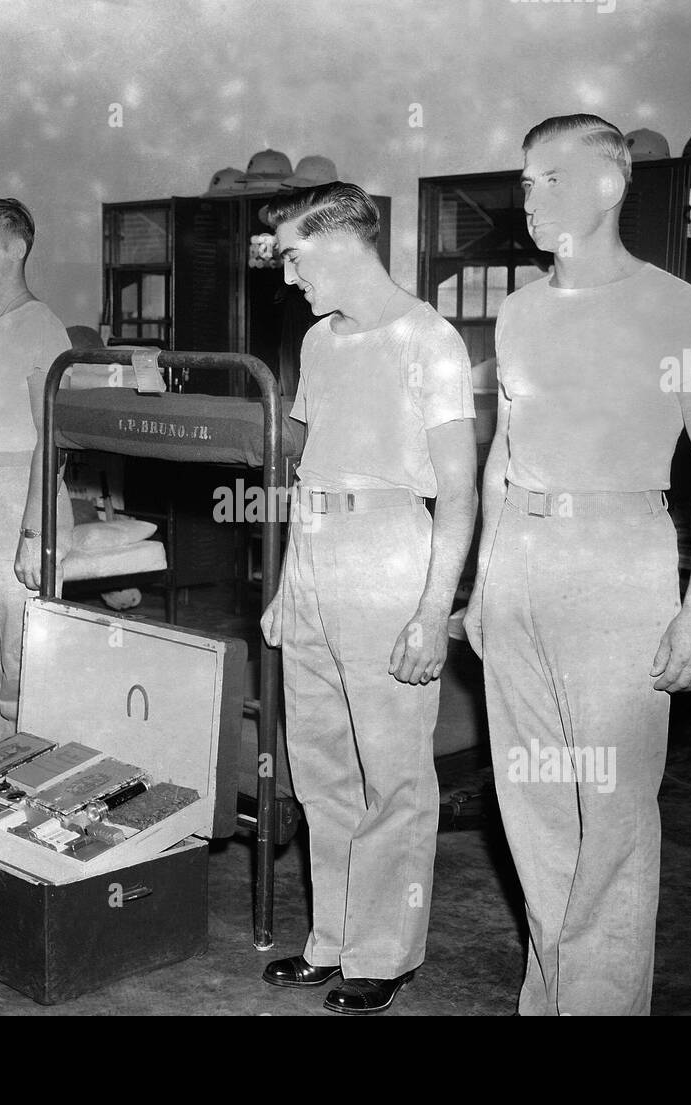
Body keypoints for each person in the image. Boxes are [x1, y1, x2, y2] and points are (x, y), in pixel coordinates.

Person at [463, 114, 691, 1015]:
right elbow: (501, 452)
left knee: (613, 817)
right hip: (520, 565)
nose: (529, 196)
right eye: (525, 180)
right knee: (534, 809)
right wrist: (481, 584)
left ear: (611, 186)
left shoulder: (677, 308)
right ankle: (555, 997)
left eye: (550, 177)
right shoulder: (519, 309)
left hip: (622, 561)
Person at [258, 183, 478, 1014]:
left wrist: (432, 611)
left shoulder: (431, 340)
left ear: (341, 243)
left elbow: (458, 492)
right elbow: (311, 469)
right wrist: (286, 585)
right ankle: (334, 939)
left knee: (393, 774)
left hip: (391, 550)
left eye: (293, 256)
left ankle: (384, 953)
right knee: (320, 767)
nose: (288, 276)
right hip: (316, 550)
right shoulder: (320, 342)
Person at [0, 197, 73, 750]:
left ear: (17, 248)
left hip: (21, 497)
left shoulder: (41, 327)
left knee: (26, 649)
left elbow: (54, 441)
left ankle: (36, 771)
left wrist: (33, 533)